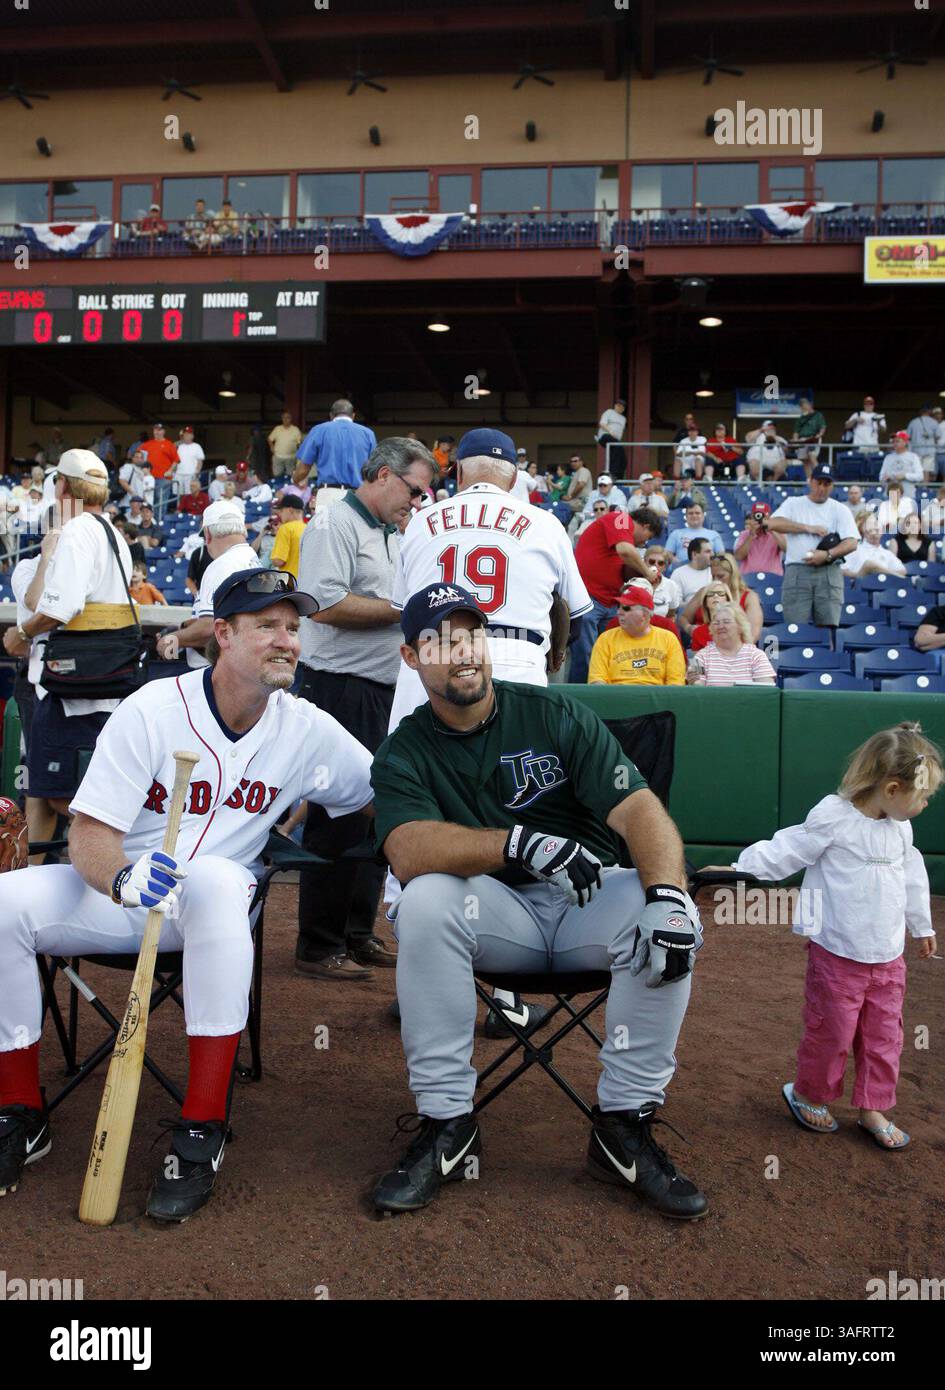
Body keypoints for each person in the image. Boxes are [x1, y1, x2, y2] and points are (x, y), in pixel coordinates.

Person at [0, 567, 376, 1219]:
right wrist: (121, 876)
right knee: (6, 905)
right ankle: (19, 1112)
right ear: (223, 635)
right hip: (120, 894)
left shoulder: (308, 728)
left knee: (215, 879)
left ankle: (201, 1125)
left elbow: (382, 795)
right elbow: (88, 836)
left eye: (294, 627)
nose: (287, 639)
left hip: (211, 914)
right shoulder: (153, 709)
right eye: (267, 625)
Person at [369, 583, 707, 1220]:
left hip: (585, 901)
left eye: (470, 635)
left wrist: (665, 893)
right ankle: (447, 1124)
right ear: (413, 658)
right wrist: (518, 843)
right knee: (425, 901)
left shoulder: (555, 714)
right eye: (440, 641)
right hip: (496, 914)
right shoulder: (404, 749)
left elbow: (640, 811)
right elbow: (408, 851)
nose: (460, 652)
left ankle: (623, 1129)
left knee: (669, 915)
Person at [729, 723, 940, 1149]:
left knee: (885, 1036)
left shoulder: (901, 829)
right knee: (833, 1031)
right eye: (924, 796)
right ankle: (809, 1094)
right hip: (838, 954)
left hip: (887, 958)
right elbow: (788, 847)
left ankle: (873, 1107)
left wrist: (922, 925)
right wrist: (742, 870)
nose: (927, 803)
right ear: (893, 788)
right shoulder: (834, 816)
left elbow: (912, 878)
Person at [294, 437, 436, 981]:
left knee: (379, 807)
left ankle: (357, 932)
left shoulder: (392, 532)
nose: (418, 502)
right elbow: (324, 603)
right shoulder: (333, 523)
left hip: (383, 688)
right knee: (337, 812)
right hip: (339, 687)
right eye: (414, 490)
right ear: (381, 474)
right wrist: (404, 612)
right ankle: (318, 942)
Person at [1, 450, 133, 822]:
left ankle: (98, 868)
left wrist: (21, 632)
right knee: (42, 791)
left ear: (62, 486)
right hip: (99, 680)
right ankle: (34, 874)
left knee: (65, 798)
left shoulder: (76, 530)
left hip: (72, 684)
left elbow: (61, 608)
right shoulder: (113, 533)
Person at [155, 500, 259, 669]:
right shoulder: (251, 558)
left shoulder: (222, 564)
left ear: (208, 534)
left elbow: (209, 629)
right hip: (242, 662)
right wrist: (182, 627)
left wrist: (172, 640)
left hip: (215, 668)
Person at [571, 507, 663, 684]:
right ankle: (580, 697)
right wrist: (647, 572)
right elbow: (625, 550)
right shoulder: (620, 518)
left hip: (612, 602)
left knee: (615, 655)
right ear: (645, 526)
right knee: (585, 656)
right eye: (648, 537)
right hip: (589, 598)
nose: (644, 543)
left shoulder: (624, 537)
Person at [767, 465, 858, 628]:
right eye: (818, 482)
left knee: (829, 627)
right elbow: (773, 523)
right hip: (798, 568)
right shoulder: (793, 503)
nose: (822, 488)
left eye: (827, 484)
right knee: (794, 627)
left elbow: (852, 542)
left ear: (832, 486)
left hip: (829, 570)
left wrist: (827, 555)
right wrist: (808, 527)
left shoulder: (840, 509)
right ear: (810, 481)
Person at [588, 583, 685, 686]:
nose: (619, 612)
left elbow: (675, 683)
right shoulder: (605, 639)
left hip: (656, 699)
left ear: (645, 614)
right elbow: (597, 680)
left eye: (626, 608)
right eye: (618, 607)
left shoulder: (668, 639)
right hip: (616, 699)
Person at [297, 400, 377, 504]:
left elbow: (302, 470)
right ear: (353, 416)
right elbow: (374, 472)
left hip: (328, 493)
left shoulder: (319, 430)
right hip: (357, 495)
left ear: (331, 415)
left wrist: (294, 480)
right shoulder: (368, 434)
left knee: (327, 521)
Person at [685, 605, 776, 686]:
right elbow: (697, 691)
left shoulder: (757, 655)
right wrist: (693, 682)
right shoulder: (700, 656)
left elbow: (766, 691)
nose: (721, 626)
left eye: (726, 622)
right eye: (716, 623)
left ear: (740, 626)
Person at [706, 551, 763, 642]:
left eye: (721, 576)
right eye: (713, 576)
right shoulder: (706, 592)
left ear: (733, 574)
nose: (716, 580)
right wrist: (690, 628)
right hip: (705, 646)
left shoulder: (750, 597)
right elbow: (684, 617)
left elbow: (752, 635)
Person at [841, 515, 907, 579]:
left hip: (884, 586)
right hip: (860, 585)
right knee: (868, 564)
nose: (874, 529)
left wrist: (879, 571)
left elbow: (902, 571)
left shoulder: (887, 553)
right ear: (862, 531)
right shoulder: (855, 549)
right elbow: (842, 570)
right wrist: (859, 576)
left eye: (875, 524)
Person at [671, 538, 716, 625]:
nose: (713, 554)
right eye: (708, 552)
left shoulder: (715, 571)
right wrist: (695, 604)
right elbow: (676, 604)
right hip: (691, 620)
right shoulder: (679, 573)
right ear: (695, 554)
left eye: (712, 551)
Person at [733, 501, 786, 576]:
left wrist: (771, 528)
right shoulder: (744, 534)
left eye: (762, 516)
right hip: (748, 577)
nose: (760, 518)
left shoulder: (777, 533)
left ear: (768, 517)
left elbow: (786, 548)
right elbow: (738, 557)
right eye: (757, 515)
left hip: (773, 577)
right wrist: (751, 536)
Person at [684, 581, 736, 652]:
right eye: (710, 594)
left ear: (727, 599)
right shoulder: (698, 633)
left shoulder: (739, 629)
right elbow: (698, 661)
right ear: (705, 602)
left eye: (720, 593)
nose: (715, 596)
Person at [269, 495, 306, 580]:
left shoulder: (286, 528)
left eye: (281, 511)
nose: (280, 514)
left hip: (291, 582)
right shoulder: (309, 528)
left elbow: (278, 560)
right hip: (307, 583)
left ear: (290, 510)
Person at [879, 433, 924, 500]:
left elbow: (920, 476)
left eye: (897, 441)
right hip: (890, 497)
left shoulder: (913, 457)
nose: (895, 443)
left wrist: (905, 476)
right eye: (893, 441)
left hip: (907, 496)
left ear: (905, 442)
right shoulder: (888, 457)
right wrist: (886, 478)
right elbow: (881, 477)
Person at [644, 546, 681, 621]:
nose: (655, 565)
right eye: (651, 562)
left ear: (665, 567)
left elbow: (671, 614)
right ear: (644, 563)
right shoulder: (634, 581)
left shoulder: (671, 585)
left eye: (660, 563)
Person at [789, 399, 827, 469]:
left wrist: (819, 435)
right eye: (802, 407)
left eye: (805, 406)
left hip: (813, 439)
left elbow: (822, 427)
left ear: (810, 405)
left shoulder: (818, 415)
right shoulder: (801, 418)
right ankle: (808, 479)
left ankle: (818, 474)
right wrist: (795, 441)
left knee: (812, 456)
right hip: (802, 440)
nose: (804, 408)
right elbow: (796, 432)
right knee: (804, 460)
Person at [906, 405, 940, 480]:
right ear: (929, 411)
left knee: (916, 470)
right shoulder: (934, 422)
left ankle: (917, 488)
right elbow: (938, 436)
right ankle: (924, 488)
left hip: (916, 450)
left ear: (920, 412)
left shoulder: (913, 422)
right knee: (926, 470)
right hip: (930, 449)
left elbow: (907, 437)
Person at [170, 426, 205, 498]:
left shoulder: (196, 446)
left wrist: (197, 471)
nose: (186, 436)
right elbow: (175, 460)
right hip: (179, 474)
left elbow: (200, 461)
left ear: (192, 436)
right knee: (178, 495)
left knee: (190, 494)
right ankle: (180, 508)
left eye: (188, 434)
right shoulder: (179, 446)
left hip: (190, 474)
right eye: (185, 434)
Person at [595, 399, 627, 477]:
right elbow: (602, 424)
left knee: (623, 458)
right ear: (615, 406)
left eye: (622, 406)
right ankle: (613, 473)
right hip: (605, 435)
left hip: (616, 440)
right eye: (618, 405)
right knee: (617, 448)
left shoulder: (623, 419)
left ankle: (619, 476)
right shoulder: (609, 412)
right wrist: (610, 431)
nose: (620, 407)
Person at [267, 410, 303, 481]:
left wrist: (299, 454)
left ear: (291, 419)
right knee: (277, 476)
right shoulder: (277, 429)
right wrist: (271, 447)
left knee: (290, 477)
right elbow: (269, 439)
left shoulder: (295, 430)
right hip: (278, 457)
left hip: (291, 457)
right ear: (282, 419)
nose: (286, 419)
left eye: (288, 418)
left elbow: (299, 443)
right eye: (284, 418)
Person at [562, 453, 593, 526]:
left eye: (575, 461)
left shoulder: (583, 470)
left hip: (581, 502)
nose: (573, 463)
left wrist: (570, 496)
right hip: (575, 501)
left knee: (561, 507)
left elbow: (581, 485)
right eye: (571, 461)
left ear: (581, 462)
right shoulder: (577, 472)